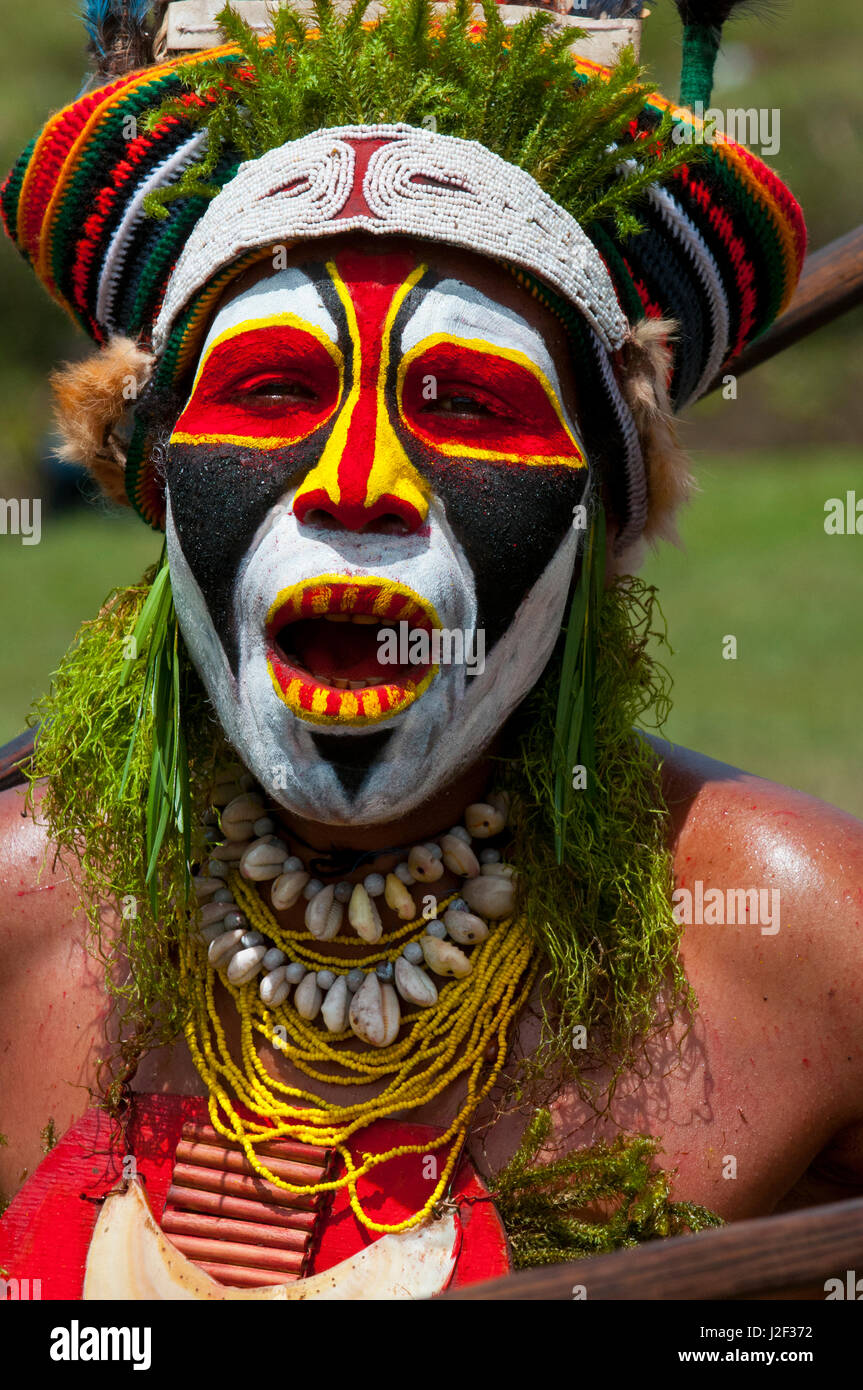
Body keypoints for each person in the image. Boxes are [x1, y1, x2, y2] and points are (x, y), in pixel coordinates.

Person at [3, 0, 860, 1299]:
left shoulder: (803, 947)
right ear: (156, 477)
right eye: (277, 388)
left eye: (467, 400)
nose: (363, 483)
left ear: (601, 520)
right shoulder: (17, 921)